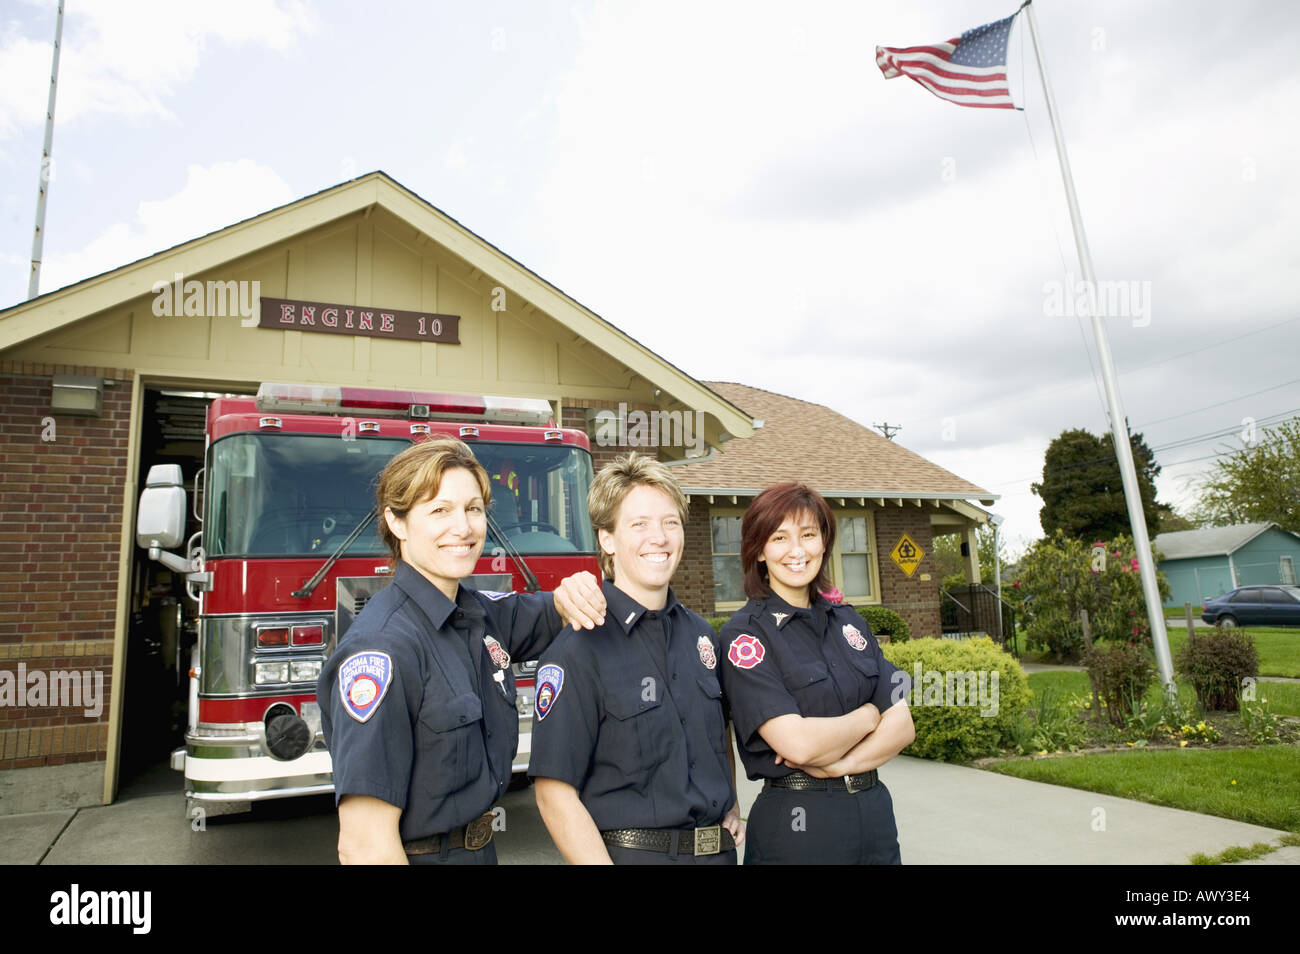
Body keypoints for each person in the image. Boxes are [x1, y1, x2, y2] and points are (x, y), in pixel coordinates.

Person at [317, 436, 606, 865]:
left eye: (473, 509)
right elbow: (364, 845)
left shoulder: (477, 614)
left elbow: (550, 610)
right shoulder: (383, 648)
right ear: (396, 523)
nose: (464, 528)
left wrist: (572, 591)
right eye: (439, 511)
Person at [529, 453, 744, 864]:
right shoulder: (577, 648)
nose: (658, 537)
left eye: (670, 522)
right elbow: (554, 793)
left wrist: (729, 805)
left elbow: (719, 736)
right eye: (639, 524)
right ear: (607, 539)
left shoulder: (702, 636)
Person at [717, 482, 915, 864]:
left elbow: (903, 725)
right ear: (759, 550)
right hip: (799, 828)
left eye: (808, 534)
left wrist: (841, 765)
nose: (797, 550)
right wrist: (869, 715)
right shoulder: (745, 635)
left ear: (823, 543)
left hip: (874, 819)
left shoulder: (849, 622)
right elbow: (798, 745)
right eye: (779, 537)